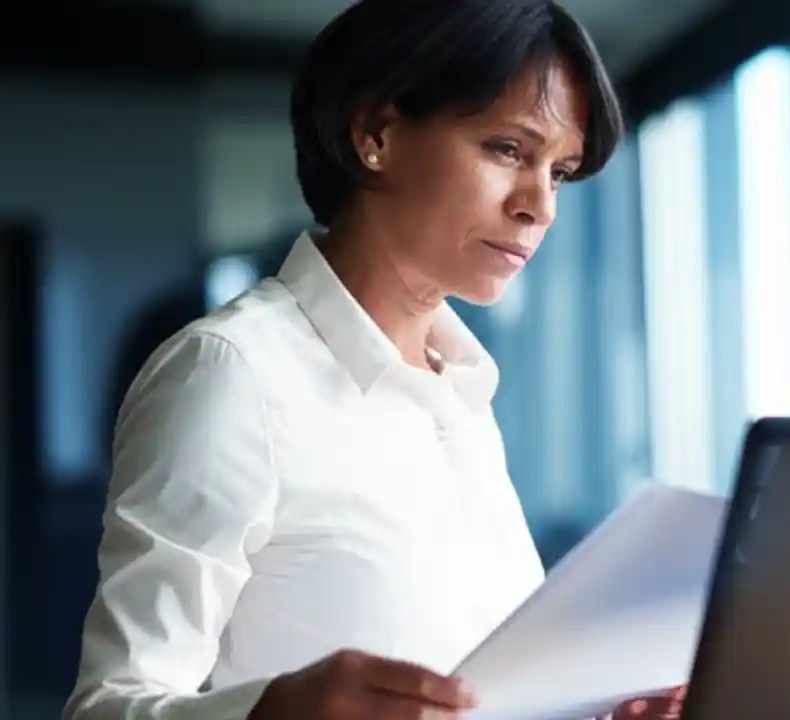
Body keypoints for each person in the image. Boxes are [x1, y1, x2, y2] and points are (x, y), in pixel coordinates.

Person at [62, 1, 684, 718]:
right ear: (376, 134)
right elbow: (106, 705)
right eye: (508, 150)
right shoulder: (235, 374)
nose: (539, 205)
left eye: (561, 171)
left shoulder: (461, 399)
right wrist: (270, 713)